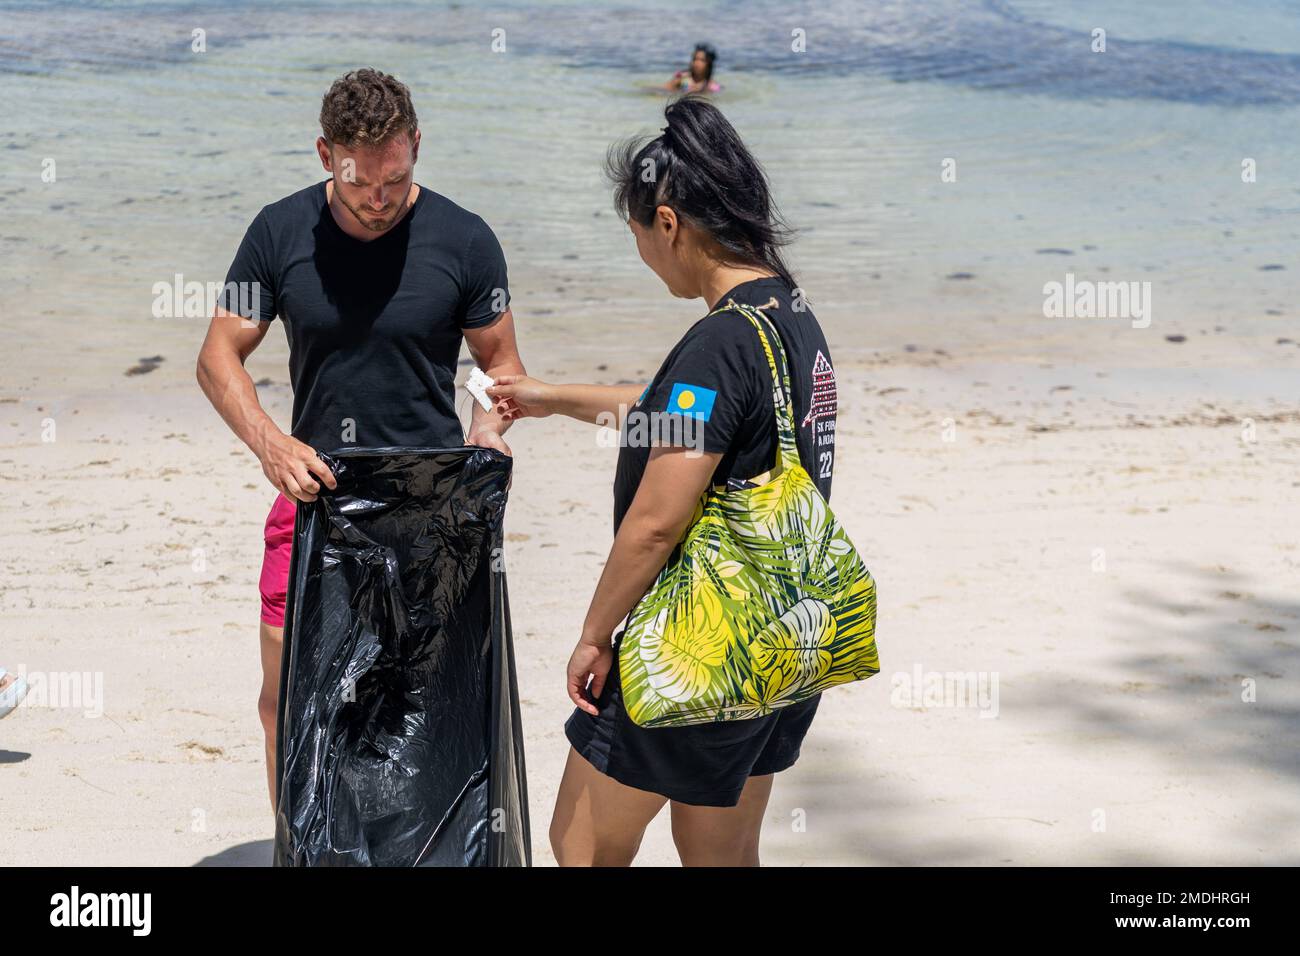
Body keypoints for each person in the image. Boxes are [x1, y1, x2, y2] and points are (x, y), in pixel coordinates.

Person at [487, 96, 839, 866]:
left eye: (640, 235)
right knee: (719, 855)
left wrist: (592, 636)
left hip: (697, 649)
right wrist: (548, 398)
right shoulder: (791, 318)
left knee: (581, 845)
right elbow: (685, 423)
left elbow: (657, 520)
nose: (644, 255)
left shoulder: (719, 344)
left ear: (670, 222)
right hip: (785, 640)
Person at [196, 68, 525, 810]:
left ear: (416, 145)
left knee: (415, 706)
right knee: (283, 704)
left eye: (395, 180)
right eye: (358, 185)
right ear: (325, 156)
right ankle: (301, 850)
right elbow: (218, 356)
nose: (377, 200)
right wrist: (270, 443)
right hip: (313, 491)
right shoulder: (278, 233)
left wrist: (487, 433)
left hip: (430, 500)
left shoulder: (466, 239)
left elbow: (497, 366)